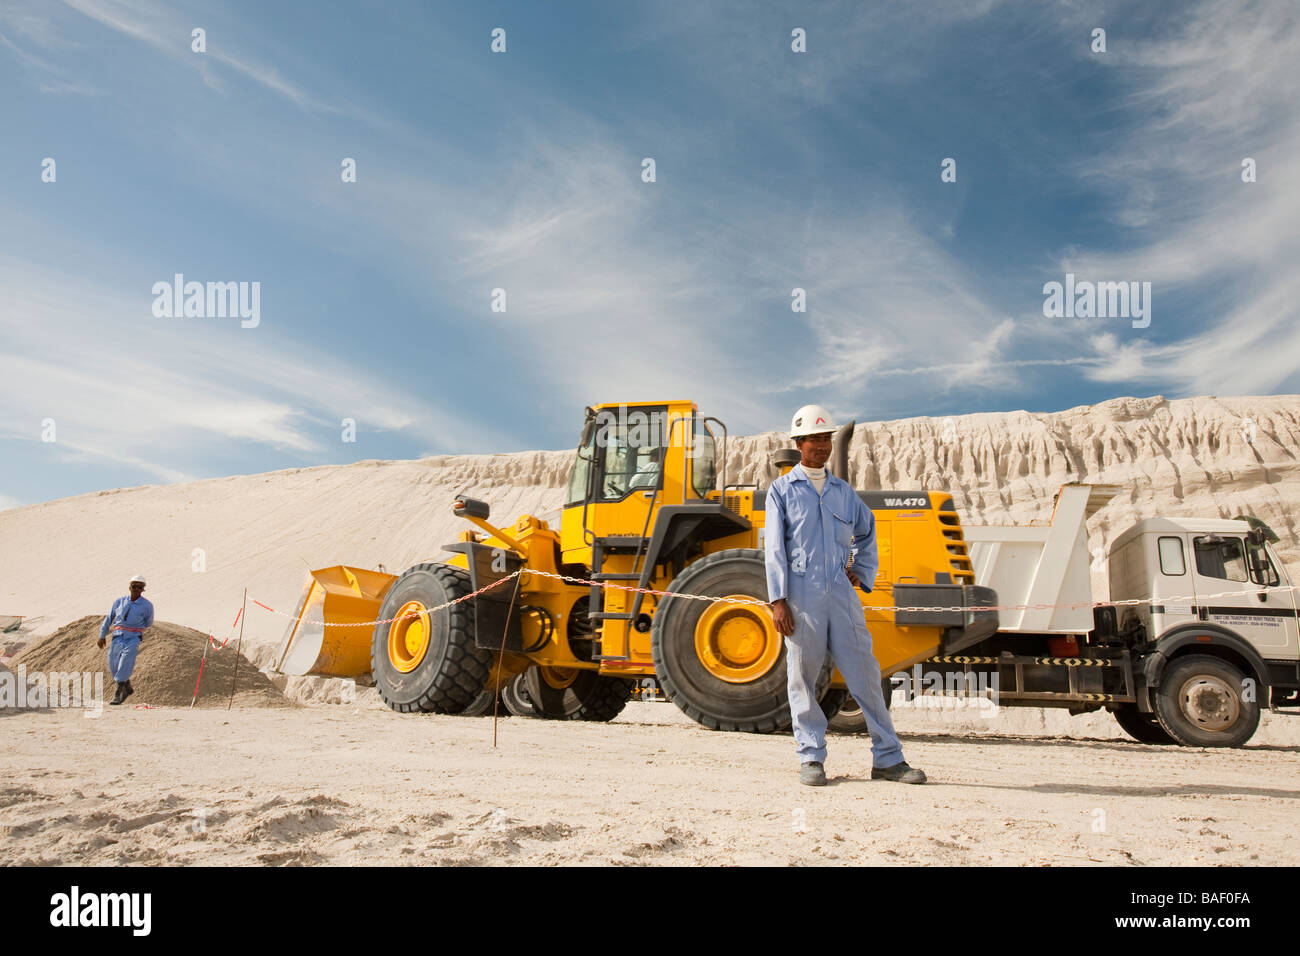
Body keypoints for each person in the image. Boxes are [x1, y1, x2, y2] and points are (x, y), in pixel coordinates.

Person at [765, 405, 926, 786]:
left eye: (826, 438)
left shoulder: (843, 492)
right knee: (803, 677)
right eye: (814, 439)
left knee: (866, 675)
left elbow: (867, 533)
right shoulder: (782, 491)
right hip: (801, 595)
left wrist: (862, 571)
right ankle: (811, 758)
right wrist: (778, 600)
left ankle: (888, 759)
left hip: (841, 591)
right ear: (799, 443)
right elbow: (773, 548)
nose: (821, 446)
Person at [98, 574, 154, 705]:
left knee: (126, 661)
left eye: (139, 587)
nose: (136, 589)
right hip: (117, 636)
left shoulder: (147, 606)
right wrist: (102, 635)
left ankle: (118, 692)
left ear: (143, 589)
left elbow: (148, 622)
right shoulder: (119, 602)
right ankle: (127, 686)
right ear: (130, 587)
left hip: (133, 637)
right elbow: (109, 618)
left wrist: (135, 628)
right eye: (134, 586)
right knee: (113, 663)